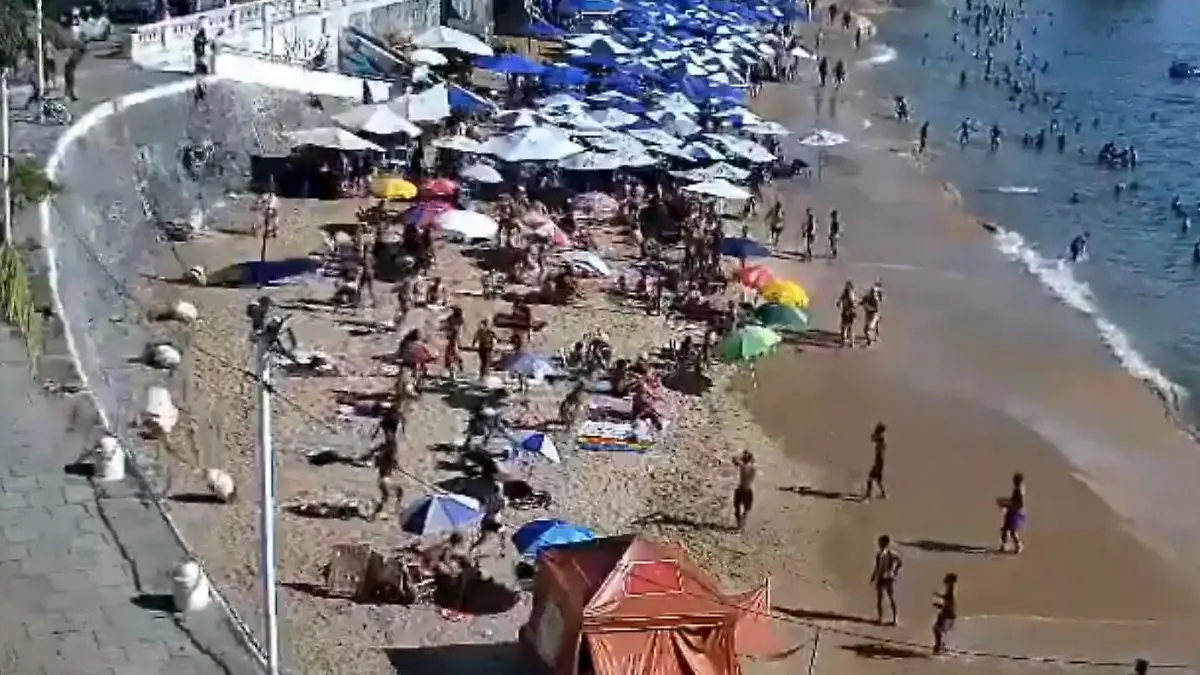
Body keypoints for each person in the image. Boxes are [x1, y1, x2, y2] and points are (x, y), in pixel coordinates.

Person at [870, 534, 902, 625]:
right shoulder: (884, 554)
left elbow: (899, 562)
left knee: (889, 598)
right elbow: (877, 567)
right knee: (883, 598)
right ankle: (884, 618)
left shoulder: (889, 554)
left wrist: (894, 572)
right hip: (884, 577)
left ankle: (890, 618)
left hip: (887, 578)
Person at [999, 472, 1026, 554]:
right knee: (1006, 529)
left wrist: (1007, 505)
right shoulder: (1018, 489)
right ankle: (1004, 545)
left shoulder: (1019, 491)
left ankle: (1018, 545)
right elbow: (1014, 501)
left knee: (1012, 530)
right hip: (1012, 511)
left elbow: (1020, 504)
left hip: (1015, 512)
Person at [932, 573, 959, 654]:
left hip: (947, 614)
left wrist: (938, 596)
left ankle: (938, 647)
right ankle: (940, 646)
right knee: (940, 630)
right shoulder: (950, 589)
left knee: (937, 629)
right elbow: (948, 602)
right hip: (947, 613)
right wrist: (940, 605)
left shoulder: (950, 589)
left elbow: (948, 599)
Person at [732, 450, 757, 530]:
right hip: (748, 489)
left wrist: (741, 455)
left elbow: (734, 459)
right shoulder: (753, 467)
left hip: (741, 489)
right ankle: (742, 524)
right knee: (746, 509)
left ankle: (739, 525)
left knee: (737, 508)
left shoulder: (743, 466)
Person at [864, 422, 887, 500]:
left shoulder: (880, 439)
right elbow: (873, 439)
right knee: (878, 480)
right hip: (880, 463)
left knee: (870, 479)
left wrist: (877, 465)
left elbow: (873, 438)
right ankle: (883, 494)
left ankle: (868, 495)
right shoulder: (882, 440)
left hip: (878, 463)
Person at [836, 281, 857, 347]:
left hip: (849, 313)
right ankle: (849, 342)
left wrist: (840, 303)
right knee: (846, 328)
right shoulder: (846, 293)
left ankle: (849, 342)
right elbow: (839, 302)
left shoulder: (849, 294)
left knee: (847, 328)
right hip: (847, 313)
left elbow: (853, 304)